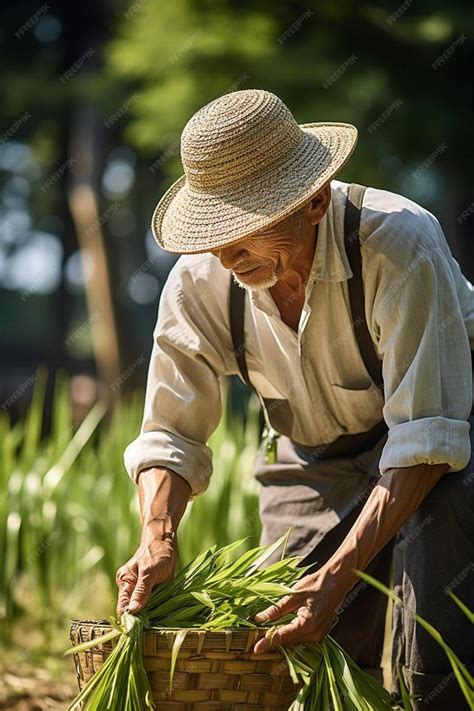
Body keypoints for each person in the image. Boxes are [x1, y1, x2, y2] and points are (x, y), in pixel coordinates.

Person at [116, 89, 474, 709]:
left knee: (432, 639)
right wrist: (158, 536)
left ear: (312, 202)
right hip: (315, 457)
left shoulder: (399, 245)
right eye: (214, 230)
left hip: (444, 450)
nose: (226, 254)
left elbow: (426, 437)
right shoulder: (202, 281)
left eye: (245, 229)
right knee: (291, 649)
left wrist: (340, 576)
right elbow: (169, 435)